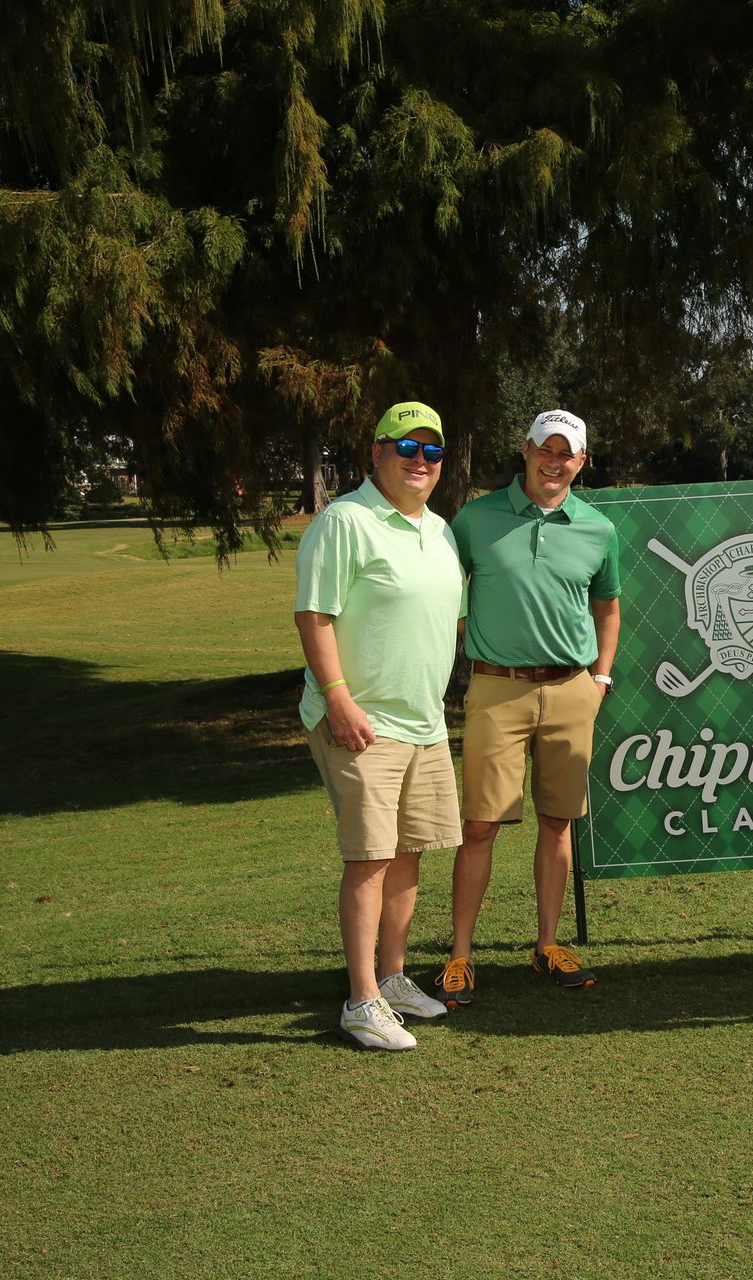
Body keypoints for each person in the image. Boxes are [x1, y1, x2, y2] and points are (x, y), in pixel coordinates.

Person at [432, 409, 621, 1003]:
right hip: (497, 689)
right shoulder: (477, 517)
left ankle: (546, 945)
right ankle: (460, 956)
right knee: (481, 825)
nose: (555, 461)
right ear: (527, 449)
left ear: (581, 462)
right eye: (546, 449)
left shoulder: (597, 528)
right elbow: (440, 588)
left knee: (558, 822)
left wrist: (601, 678)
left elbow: (608, 607)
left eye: (568, 453)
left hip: (572, 690)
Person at [295, 401, 465, 1051]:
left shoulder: (440, 531)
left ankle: (392, 978)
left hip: (422, 723)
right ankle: (362, 1000)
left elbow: (446, 619)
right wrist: (338, 698)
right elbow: (314, 616)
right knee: (369, 859)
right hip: (359, 722)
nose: (419, 462)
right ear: (376, 453)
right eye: (406, 448)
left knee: (408, 853)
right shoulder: (345, 522)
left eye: (432, 451)